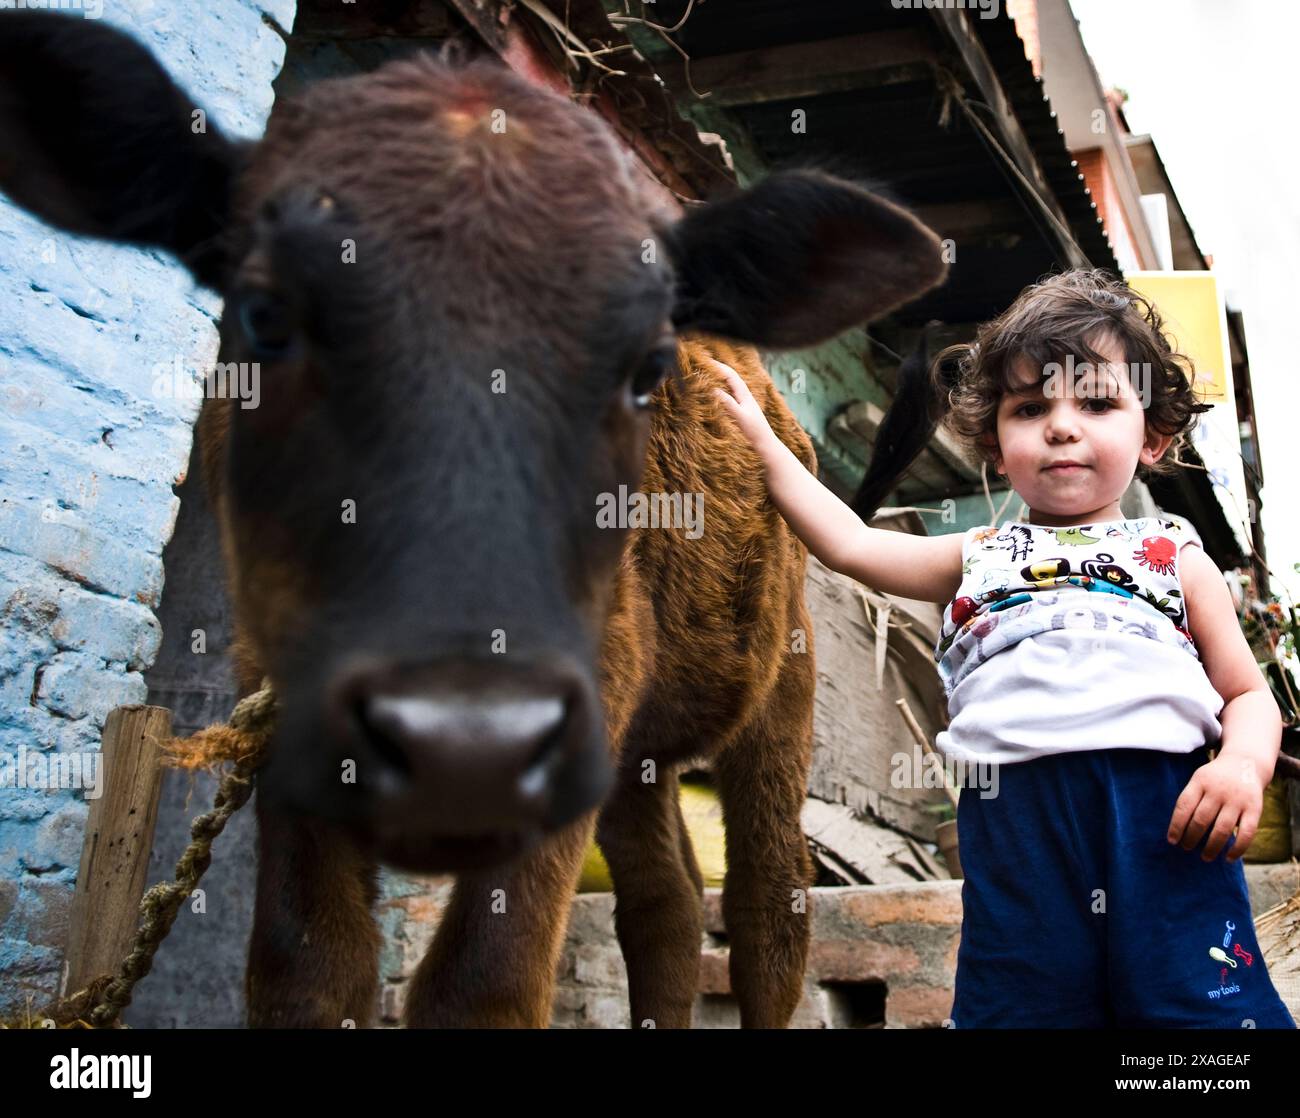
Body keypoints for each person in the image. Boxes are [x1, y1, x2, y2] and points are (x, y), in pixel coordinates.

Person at [710, 269, 1296, 1028]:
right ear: (995, 444)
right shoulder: (979, 552)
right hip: (1015, 814)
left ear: (1152, 435)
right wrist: (762, 438)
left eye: (1096, 402)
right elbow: (850, 545)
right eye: (1030, 407)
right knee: (1022, 1002)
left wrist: (1242, 767)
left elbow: (1248, 695)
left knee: (1197, 1008)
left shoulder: (1173, 552)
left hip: (1164, 810)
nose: (1061, 425)